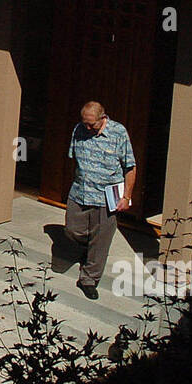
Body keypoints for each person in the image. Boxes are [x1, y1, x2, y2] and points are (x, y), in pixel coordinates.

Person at [64, 101, 136, 299]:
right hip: (80, 192)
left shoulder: (118, 132)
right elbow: (74, 160)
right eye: (84, 123)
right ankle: (89, 249)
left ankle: (88, 279)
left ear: (103, 117)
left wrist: (126, 197)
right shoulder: (78, 129)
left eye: (91, 125)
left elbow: (130, 167)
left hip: (106, 196)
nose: (87, 128)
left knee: (101, 239)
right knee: (72, 230)